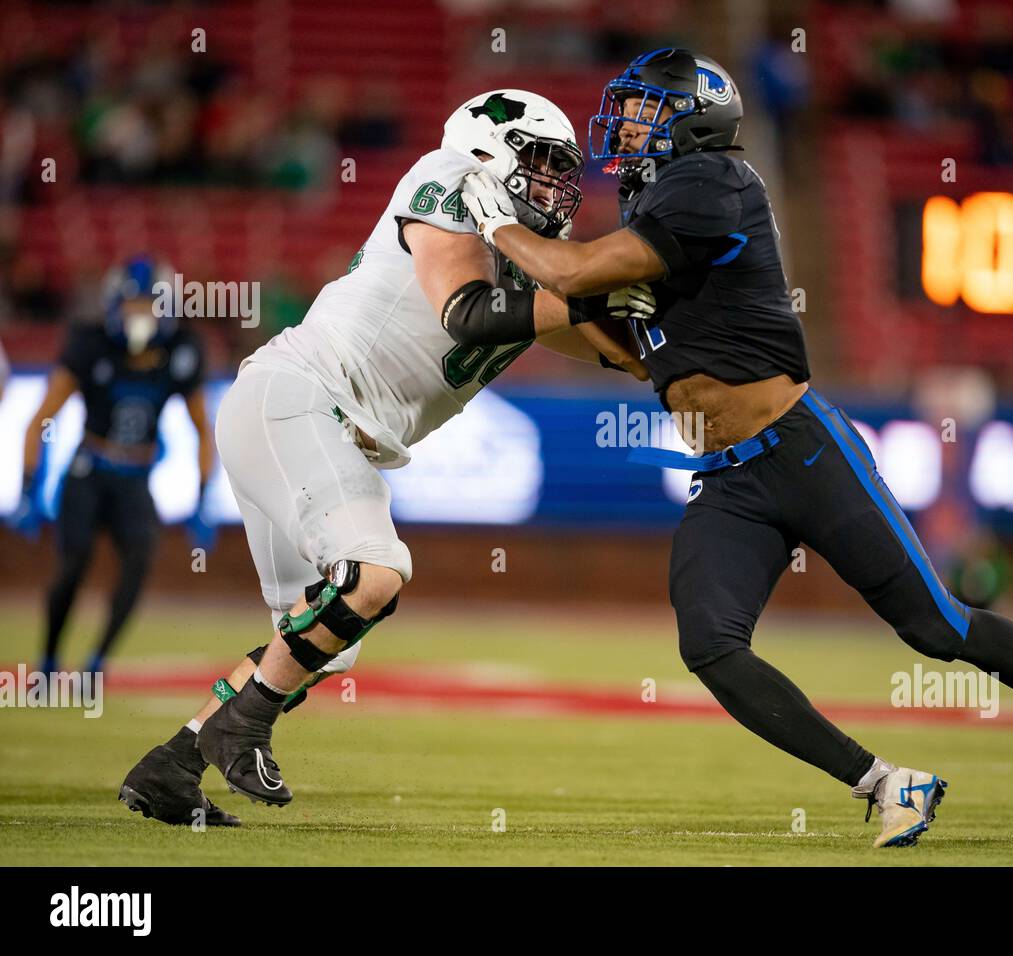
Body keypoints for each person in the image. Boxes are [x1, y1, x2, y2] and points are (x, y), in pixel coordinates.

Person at [457, 49, 1013, 848]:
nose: (627, 123)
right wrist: (492, 312)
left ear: (693, 117)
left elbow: (575, 268)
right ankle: (889, 784)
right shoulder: (659, 198)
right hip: (727, 476)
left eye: (646, 108)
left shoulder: (712, 182)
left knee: (935, 627)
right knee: (711, 646)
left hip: (801, 446)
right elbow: (599, 327)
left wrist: (493, 219)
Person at [119, 89, 650, 827]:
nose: (557, 181)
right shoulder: (446, 179)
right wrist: (597, 291)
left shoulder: (527, 257)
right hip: (296, 398)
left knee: (317, 645)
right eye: (540, 159)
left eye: (564, 167)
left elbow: (615, 353)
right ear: (486, 150)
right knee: (376, 572)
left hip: (320, 427)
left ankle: (172, 766)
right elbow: (466, 310)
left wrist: (663, 317)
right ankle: (241, 727)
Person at [12, 255, 212, 677]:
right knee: (73, 564)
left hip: (135, 477)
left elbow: (203, 429)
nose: (139, 314)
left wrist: (202, 499)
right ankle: (48, 660)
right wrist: (29, 487)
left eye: (148, 305)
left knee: (139, 563)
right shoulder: (90, 343)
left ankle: (96, 663)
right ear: (113, 305)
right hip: (90, 469)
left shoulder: (181, 350)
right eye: (132, 304)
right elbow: (41, 419)